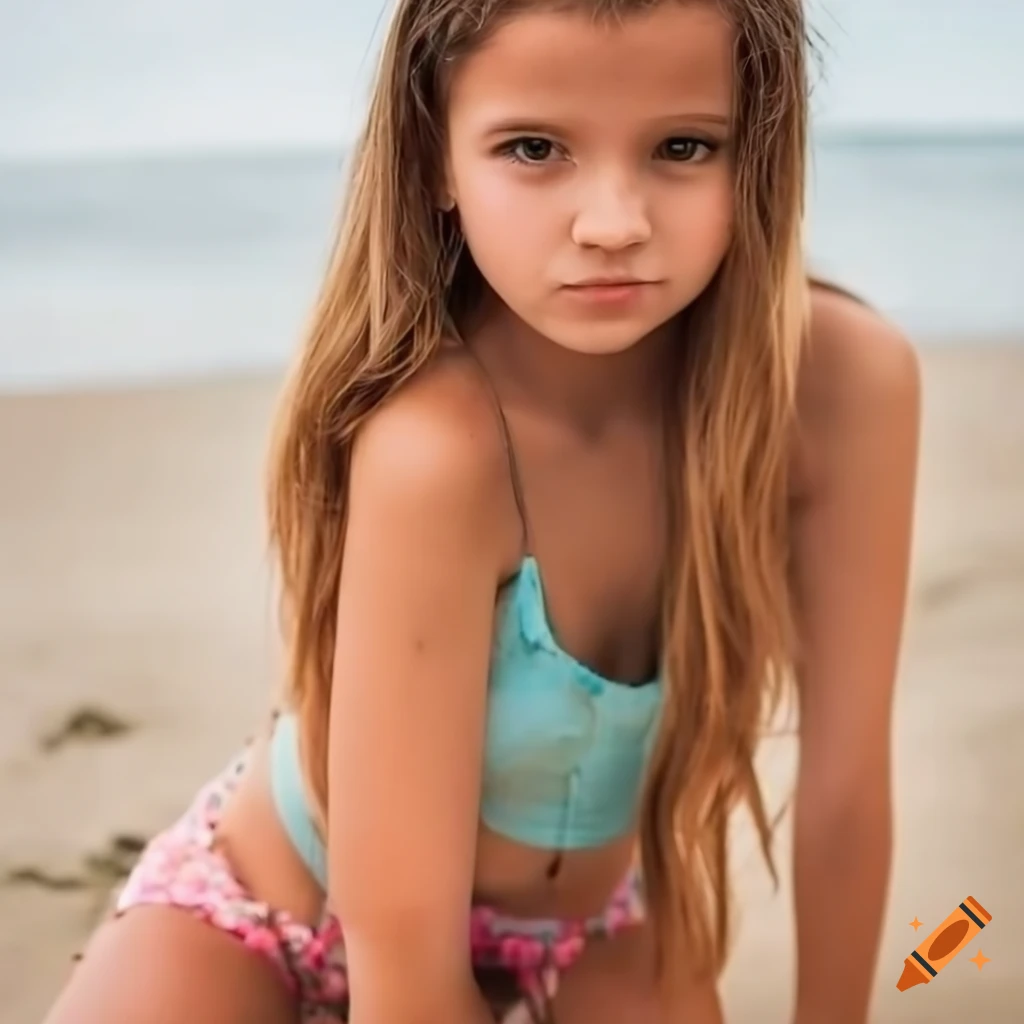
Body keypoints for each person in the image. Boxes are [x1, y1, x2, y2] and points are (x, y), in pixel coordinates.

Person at [43, 1, 921, 1022]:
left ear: (757, 153)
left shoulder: (842, 390)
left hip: (588, 930)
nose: (612, 222)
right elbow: (403, 962)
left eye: (683, 145)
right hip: (280, 907)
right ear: (434, 161)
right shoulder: (438, 451)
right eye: (534, 148)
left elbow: (847, 794)